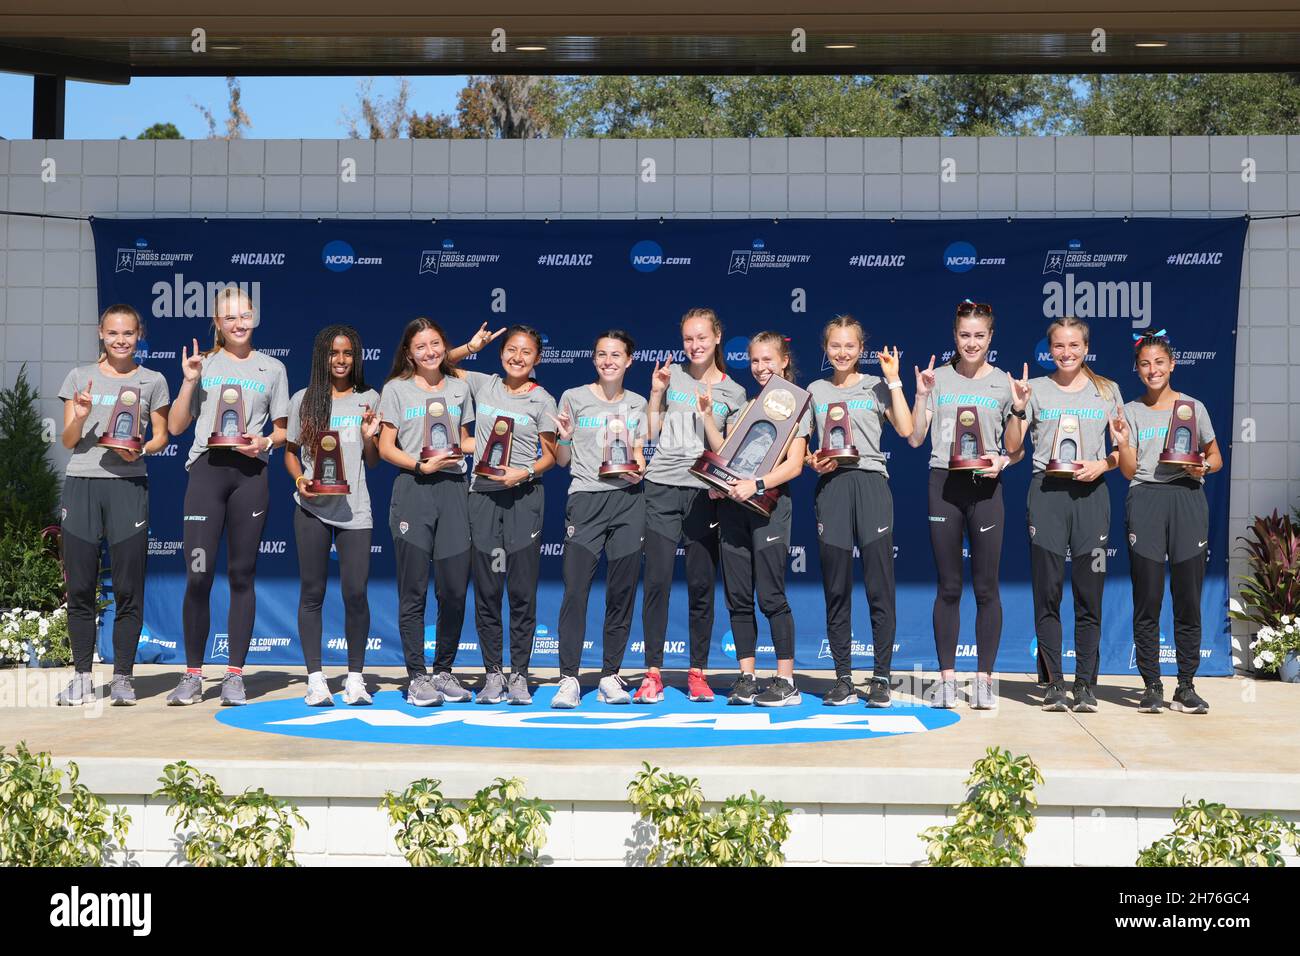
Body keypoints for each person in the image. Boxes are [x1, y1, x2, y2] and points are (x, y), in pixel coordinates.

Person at [166, 287, 289, 706]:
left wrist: (266, 441)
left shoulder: (272, 369)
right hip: (206, 473)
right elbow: (178, 427)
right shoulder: (204, 364)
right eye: (229, 317)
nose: (238, 323)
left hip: (250, 476)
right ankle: (193, 673)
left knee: (241, 574)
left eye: (245, 315)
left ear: (254, 317)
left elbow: (284, 430)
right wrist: (188, 381)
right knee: (198, 574)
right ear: (216, 323)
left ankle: (235, 675)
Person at [1003, 317, 1123, 713]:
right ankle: (1054, 682)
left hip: (1091, 496)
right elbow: (1014, 449)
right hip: (1047, 495)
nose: (1066, 353)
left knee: (1090, 595)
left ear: (1086, 347)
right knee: (1048, 592)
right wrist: (1018, 409)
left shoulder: (1107, 391)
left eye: (1074, 345)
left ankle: (1086, 684)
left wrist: (1102, 465)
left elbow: (1125, 451)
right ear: (1048, 350)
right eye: (1059, 346)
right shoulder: (1033, 389)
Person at [56, 304, 171, 706]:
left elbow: (161, 436)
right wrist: (81, 415)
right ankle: (83, 677)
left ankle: (123, 677)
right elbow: (68, 441)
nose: (121, 340)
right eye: (113, 333)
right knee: (83, 587)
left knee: (128, 588)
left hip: (128, 485)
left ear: (140, 335)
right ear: (101, 334)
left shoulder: (153, 379)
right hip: (82, 484)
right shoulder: (78, 377)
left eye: (128, 333)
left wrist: (140, 449)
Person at [909, 300, 1021, 710]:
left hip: (986, 488)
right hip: (944, 484)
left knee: (987, 588)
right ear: (954, 336)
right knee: (950, 586)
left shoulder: (1005, 384)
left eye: (979, 335)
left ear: (991, 337)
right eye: (964, 335)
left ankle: (985, 681)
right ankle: (946, 680)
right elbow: (917, 439)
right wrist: (921, 396)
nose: (971, 342)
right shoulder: (935, 378)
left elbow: (1015, 448)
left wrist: (1006, 454)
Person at [635, 308, 747, 704]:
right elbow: (650, 432)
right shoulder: (672, 376)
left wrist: (706, 416)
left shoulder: (734, 392)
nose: (694, 346)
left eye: (702, 337)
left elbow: (728, 452)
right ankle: (652, 673)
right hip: (662, 487)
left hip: (703, 493)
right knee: (658, 582)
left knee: (701, 585)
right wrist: (656, 392)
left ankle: (697, 672)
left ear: (717, 337)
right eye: (688, 339)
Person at [1112, 329, 1222, 715]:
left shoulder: (1194, 407)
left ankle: (1187, 686)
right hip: (1145, 499)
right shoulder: (1130, 411)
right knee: (1149, 597)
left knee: (1188, 598)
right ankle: (1152, 686)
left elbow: (1215, 457)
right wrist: (1124, 442)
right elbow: (1127, 471)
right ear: (1137, 370)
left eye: (1159, 362)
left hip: (1188, 498)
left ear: (1172, 364)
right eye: (1145, 364)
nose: (1153, 370)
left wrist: (1200, 466)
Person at [805, 316, 913, 708]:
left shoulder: (877, 386)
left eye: (850, 346)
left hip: (870, 484)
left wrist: (895, 380)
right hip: (832, 486)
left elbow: (906, 428)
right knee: (836, 588)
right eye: (836, 346)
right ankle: (843, 678)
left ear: (860, 348)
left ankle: (881, 677)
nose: (843, 352)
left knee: (879, 586)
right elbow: (799, 446)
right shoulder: (814, 390)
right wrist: (810, 460)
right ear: (825, 349)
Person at [700, 332, 812, 707]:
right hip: (734, 507)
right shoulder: (748, 405)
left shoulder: (799, 407)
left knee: (771, 595)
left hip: (769, 509)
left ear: (783, 361)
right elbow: (727, 454)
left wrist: (757, 484)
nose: (761, 368)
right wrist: (719, 481)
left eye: (768, 360)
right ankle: (747, 677)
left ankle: (785, 681)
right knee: (737, 596)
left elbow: (795, 466)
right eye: (755, 361)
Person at [449, 323, 558, 705]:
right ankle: (493, 673)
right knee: (488, 590)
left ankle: (520, 675)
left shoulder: (544, 399)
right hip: (483, 497)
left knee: (522, 591)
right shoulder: (485, 385)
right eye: (511, 349)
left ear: (537, 359)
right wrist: (470, 345)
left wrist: (524, 472)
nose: (517, 357)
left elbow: (551, 456)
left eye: (526, 352)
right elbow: (438, 365)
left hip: (524, 499)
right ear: (500, 353)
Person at [376, 318, 475, 706]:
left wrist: (497, 444)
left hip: (453, 490)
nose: (430, 351)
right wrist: (419, 464)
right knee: (413, 590)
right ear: (409, 353)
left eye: (436, 343)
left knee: (452, 590)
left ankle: (444, 670)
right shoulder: (395, 390)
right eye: (421, 346)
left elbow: (465, 440)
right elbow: (386, 447)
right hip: (414, 489)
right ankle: (417, 677)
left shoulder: (459, 388)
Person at [548, 331, 648, 708]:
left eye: (616, 355)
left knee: (621, 593)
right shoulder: (573, 398)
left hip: (627, 502)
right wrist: (567, 438)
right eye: (602, 355)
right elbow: (561, 461)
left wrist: (639, 468)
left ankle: (610, 675)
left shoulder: (638, 404)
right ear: (594, 359)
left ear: (628, 361)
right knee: (575, 592)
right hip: (586, 502)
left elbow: (637, 455)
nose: (609, 361)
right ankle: (569, 679)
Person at [284, 325, 381, 707]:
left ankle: (355, 679)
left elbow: (371, 462)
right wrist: (300, 478)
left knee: (355, 593)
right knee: (312, 593)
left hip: (355, 510)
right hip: (311, 508)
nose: (340, 360)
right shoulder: (304, 400)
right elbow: (290, 451)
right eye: (333, 353)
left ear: (356, 359)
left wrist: (371, 436)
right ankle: (316, 679)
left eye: (347, 354)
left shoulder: (369, 398)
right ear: (321, 358)